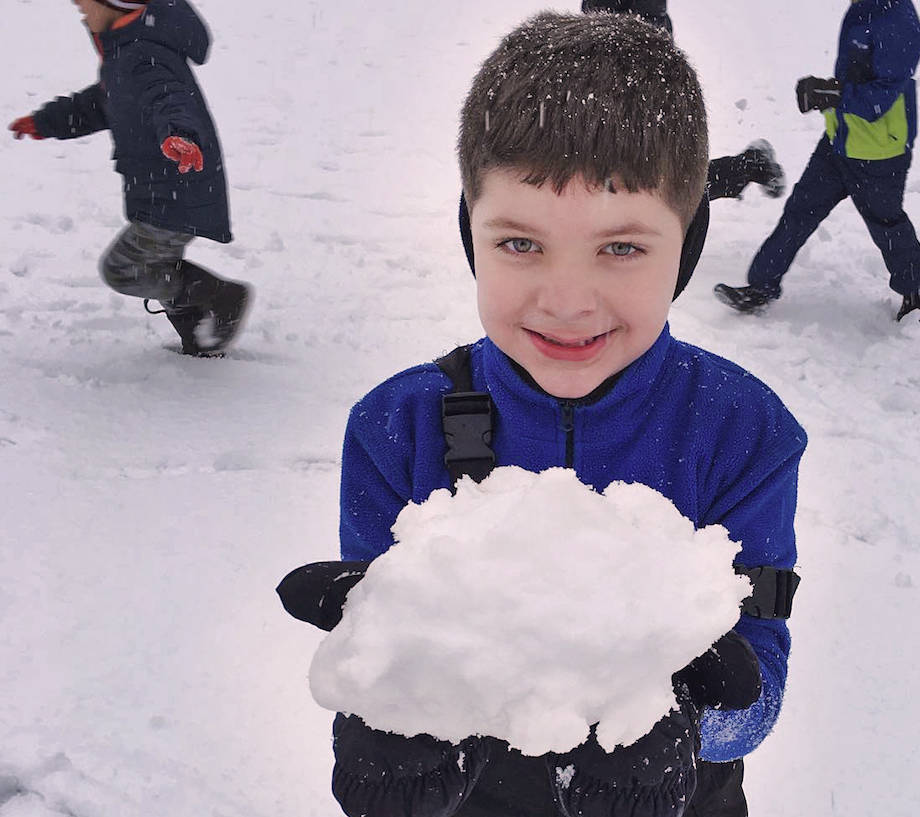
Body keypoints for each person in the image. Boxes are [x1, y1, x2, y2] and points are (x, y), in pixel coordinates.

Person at [276, 11, 807, 817]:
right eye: (519, 244)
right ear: (471, 235)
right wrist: (387, 702)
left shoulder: (743, 433)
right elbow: (385, 652)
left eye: (621, 247)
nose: (565, 302)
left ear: (686, 244)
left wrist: (696, 717)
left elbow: (757, 697)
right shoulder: (398, 426)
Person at [8, 0, 251, 356]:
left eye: (85, 1)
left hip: (177, 183)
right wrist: (48, 122)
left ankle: (219, 297)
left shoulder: (143, 55)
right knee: (156, 266)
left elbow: (171, 99)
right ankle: (200, 328)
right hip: (164, 186)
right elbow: (103, 103)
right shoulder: (127, 52)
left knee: (124, 269)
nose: (78, 6)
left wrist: (179, 135)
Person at [714, 0, 920, 322]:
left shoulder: (898, 21)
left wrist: (831, 94)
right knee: (799, 212)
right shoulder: (865, 8)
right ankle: (761, 287)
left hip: (878, 154)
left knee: (885, 223)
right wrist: (828, 92)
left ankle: (917, 287)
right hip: (838, 141)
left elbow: (884, 95)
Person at [581, 0, 787, 202]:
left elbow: (643, 25)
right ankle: (748, 166)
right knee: (650, 187)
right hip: (619, 72)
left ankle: (749, 165)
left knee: (661, 189)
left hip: (639, 76)